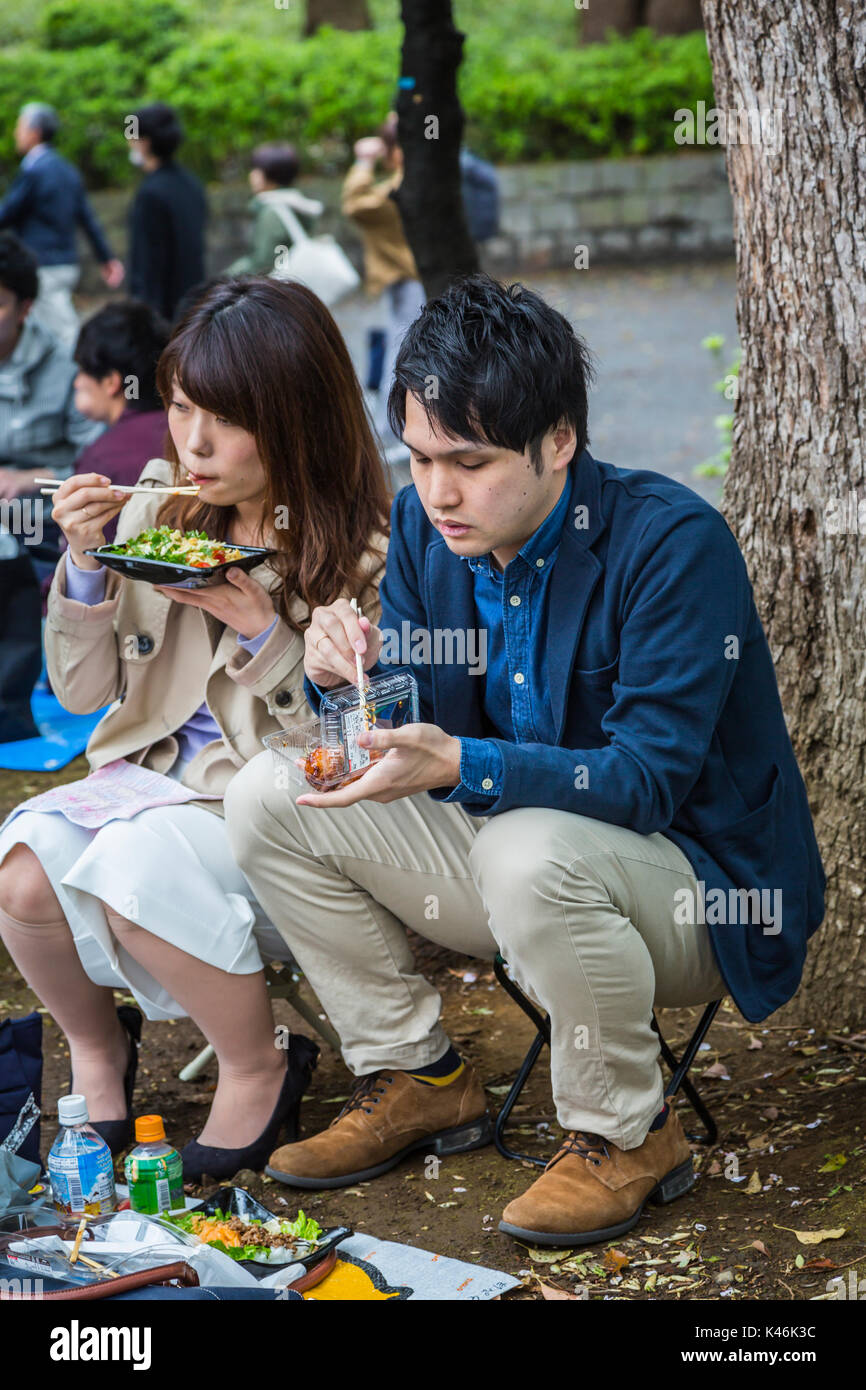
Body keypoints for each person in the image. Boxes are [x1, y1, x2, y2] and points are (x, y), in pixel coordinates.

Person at [224, 273, 825, 1246]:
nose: (435, 491)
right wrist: (354, 677)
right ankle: (418, 1076)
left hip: (697, 894)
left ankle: (624, 1132)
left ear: (557, 441)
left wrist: (460, 758)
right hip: (522, 868)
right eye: (418, 459)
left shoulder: (670, 544)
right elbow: (424, 717)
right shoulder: (428, 528)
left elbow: (642, 781)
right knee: (266, 794)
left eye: (467, 460)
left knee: (526, 848)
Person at [0, 275, 390, 1181]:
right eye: (180, 408)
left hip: (282, 827)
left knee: (131, 864)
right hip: (144, 787)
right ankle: (100, 1049)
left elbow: (351, 754)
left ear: (294, 416)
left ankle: (263, 1059)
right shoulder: (156, 512)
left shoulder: (366, 551)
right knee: (19, 871)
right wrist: (87, 567)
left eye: (226, 418)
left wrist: (265, 634)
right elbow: (82, 686)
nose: (195, 443)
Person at [0, 231, 104, 739]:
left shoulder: (66, 367)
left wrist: (29, 482)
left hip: (45, 520)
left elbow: (104, 471)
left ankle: (10, 709)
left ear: (24, 307)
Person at [0, 104, 124, 347]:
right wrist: (106, 257)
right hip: (66, 263)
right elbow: (87, 218)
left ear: (34, 132)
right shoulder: (68, 170)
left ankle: (89, 374)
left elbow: (7, 212)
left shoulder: (35, 169)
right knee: (42, 332)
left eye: (20, 127)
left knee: (65, 335)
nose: (16, 133)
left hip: (43, 265)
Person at [342, 113, 424, 447]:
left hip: (405, 279)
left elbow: (354, 204)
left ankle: (396, 430)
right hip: (414, 277)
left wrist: (363, 161)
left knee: (399, 350)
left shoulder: (398, 188)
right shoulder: (427, 179)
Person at [72, 300, 170, 539]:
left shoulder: (103, 460)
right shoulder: (185, 430)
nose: (76, 382)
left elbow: (85, 553)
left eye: (82, 370)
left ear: (111, 382)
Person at [127, 104, 207, 322]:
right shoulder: (191, 183)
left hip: (161, 313)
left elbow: (148, 264)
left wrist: (144, 317)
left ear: (145, 142)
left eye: (132, 136)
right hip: (193, 304)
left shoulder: (150, 193)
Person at [226, 142, 324, 277]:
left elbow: (263, 262)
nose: (252, 175)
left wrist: (225, 278)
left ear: (270, 174)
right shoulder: (295, 203)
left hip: (277, 289)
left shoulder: (273, 212)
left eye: (256, 169)